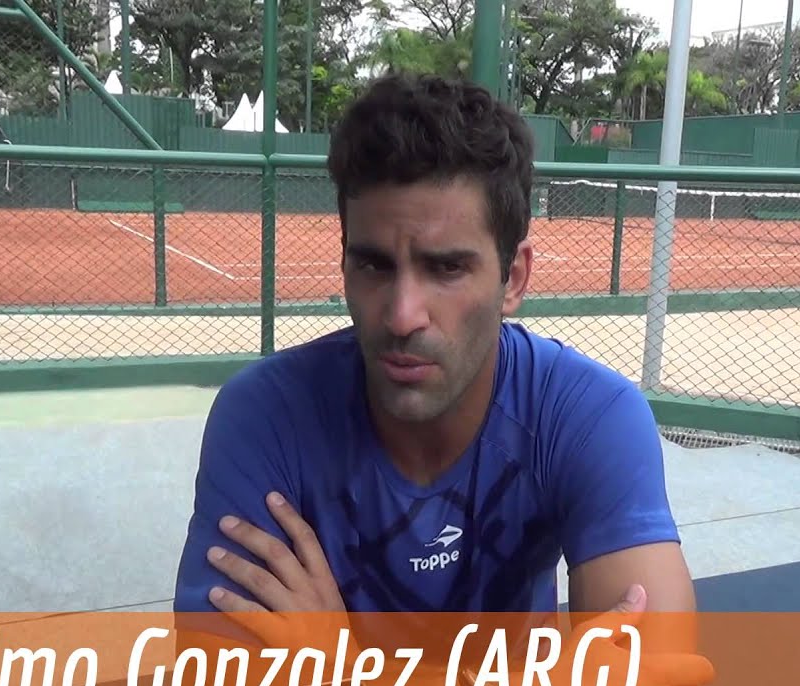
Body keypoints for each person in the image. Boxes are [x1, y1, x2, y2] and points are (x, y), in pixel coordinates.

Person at [173, 73, 695, 626]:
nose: (402, 315)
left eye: (446, 268)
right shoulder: (264, 417)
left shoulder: (585, 415)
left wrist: (341, 682)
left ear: (513, 279)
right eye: (374, 264)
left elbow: (657, 683)